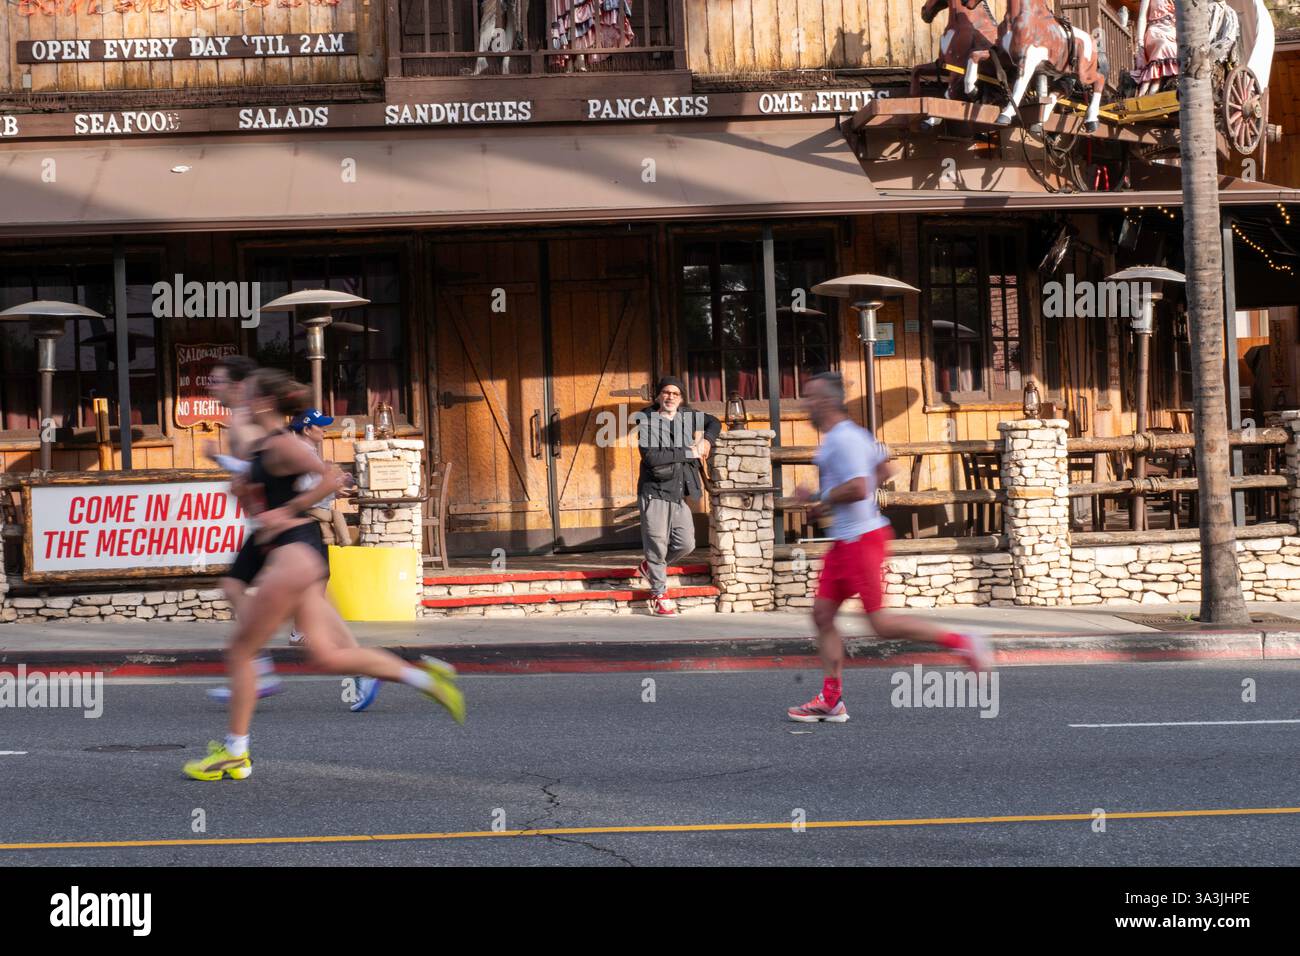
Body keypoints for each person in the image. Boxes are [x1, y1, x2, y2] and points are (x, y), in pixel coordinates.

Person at [183, 369, 464, 781]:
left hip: (293, 554)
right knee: (325, 655)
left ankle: (235, 753)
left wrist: (286, 511)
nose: (239, 396)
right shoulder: (262, 446)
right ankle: (425, 678)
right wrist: (247, 492)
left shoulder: (283, 444)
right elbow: (258, 493)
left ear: (263, 403)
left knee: (243, 651)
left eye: (247, 392)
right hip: (292, 555)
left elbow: (329, 477)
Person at [787, 372, 992, 723]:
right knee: (822, 615)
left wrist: (822, 497)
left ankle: (962, 640)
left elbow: (859, 487)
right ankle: (831, 700)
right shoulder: (853, 435)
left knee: (880, 623)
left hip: (862, 541)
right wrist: (831, 502)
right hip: (845, 541)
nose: (804, 404)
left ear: (826, 402)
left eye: (809, 398)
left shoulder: (844, 440)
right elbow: (884, 469)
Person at [204, 355, 283, 701]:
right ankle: (365, 668)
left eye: (217, 381)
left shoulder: (243, 422)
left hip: (274, 525)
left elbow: (259, 467)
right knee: (313, 613)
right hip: (269, 523)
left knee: (236, 587)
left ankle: (259, 668)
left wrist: (219, 461)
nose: (211, 387)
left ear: (237, 386)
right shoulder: (242, 419)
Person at [635, 376, 720, 617]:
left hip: (677, 492)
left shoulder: (687, 416)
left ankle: (650, 567)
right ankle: (659, 595)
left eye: (675, 393)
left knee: (686, 543)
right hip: (655, 491)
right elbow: (652, 457)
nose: (670, 396)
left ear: (681, 398)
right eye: (666, 392)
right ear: (658, 396)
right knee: (656, 546)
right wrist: (689, 451)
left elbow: (714, 422)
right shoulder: (647, 420)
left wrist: (707, 439)